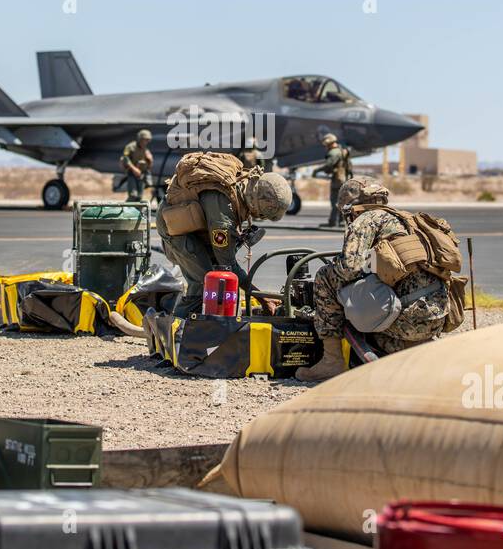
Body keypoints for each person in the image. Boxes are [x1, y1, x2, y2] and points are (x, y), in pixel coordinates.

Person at [296, 176, 450, 382]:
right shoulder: (404, 220)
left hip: (407, 322)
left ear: (350, 205)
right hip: (435, 319)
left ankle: (331, 362)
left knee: (325, 276)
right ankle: (417, 347)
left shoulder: (365, 220)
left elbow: (348, 269)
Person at [156, 151, 292, 316]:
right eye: (261, 215)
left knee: (214, 276)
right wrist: (262, 298)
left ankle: (205, 322)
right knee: (205, 283)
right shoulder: (223, 219)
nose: (258, 218)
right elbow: (228, 265)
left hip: (196, 225)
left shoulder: (243, 186)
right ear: (257, 204)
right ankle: (174, 330)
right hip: (176, 228)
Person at [313, 133, 352, 227]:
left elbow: (328, 165)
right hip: (345, 178)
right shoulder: (342, 150)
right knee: (342, 200)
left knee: (335, 201)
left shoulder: (334, 152)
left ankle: (333, 222)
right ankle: (342, 221)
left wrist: (316, 170)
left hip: (338, 179)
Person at [120, 130, 153, 200]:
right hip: (132, 173)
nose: (147, 142)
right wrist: (134, 169)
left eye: (148, 140)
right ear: (140, 139)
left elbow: (149, 165)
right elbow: (125, 158)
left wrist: (150, 160)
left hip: (141, 174)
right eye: (145, 140)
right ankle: (125, 209)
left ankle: (137, 210)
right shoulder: (130, 147)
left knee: (139, 196)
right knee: (133, 195)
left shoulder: (145, 149)